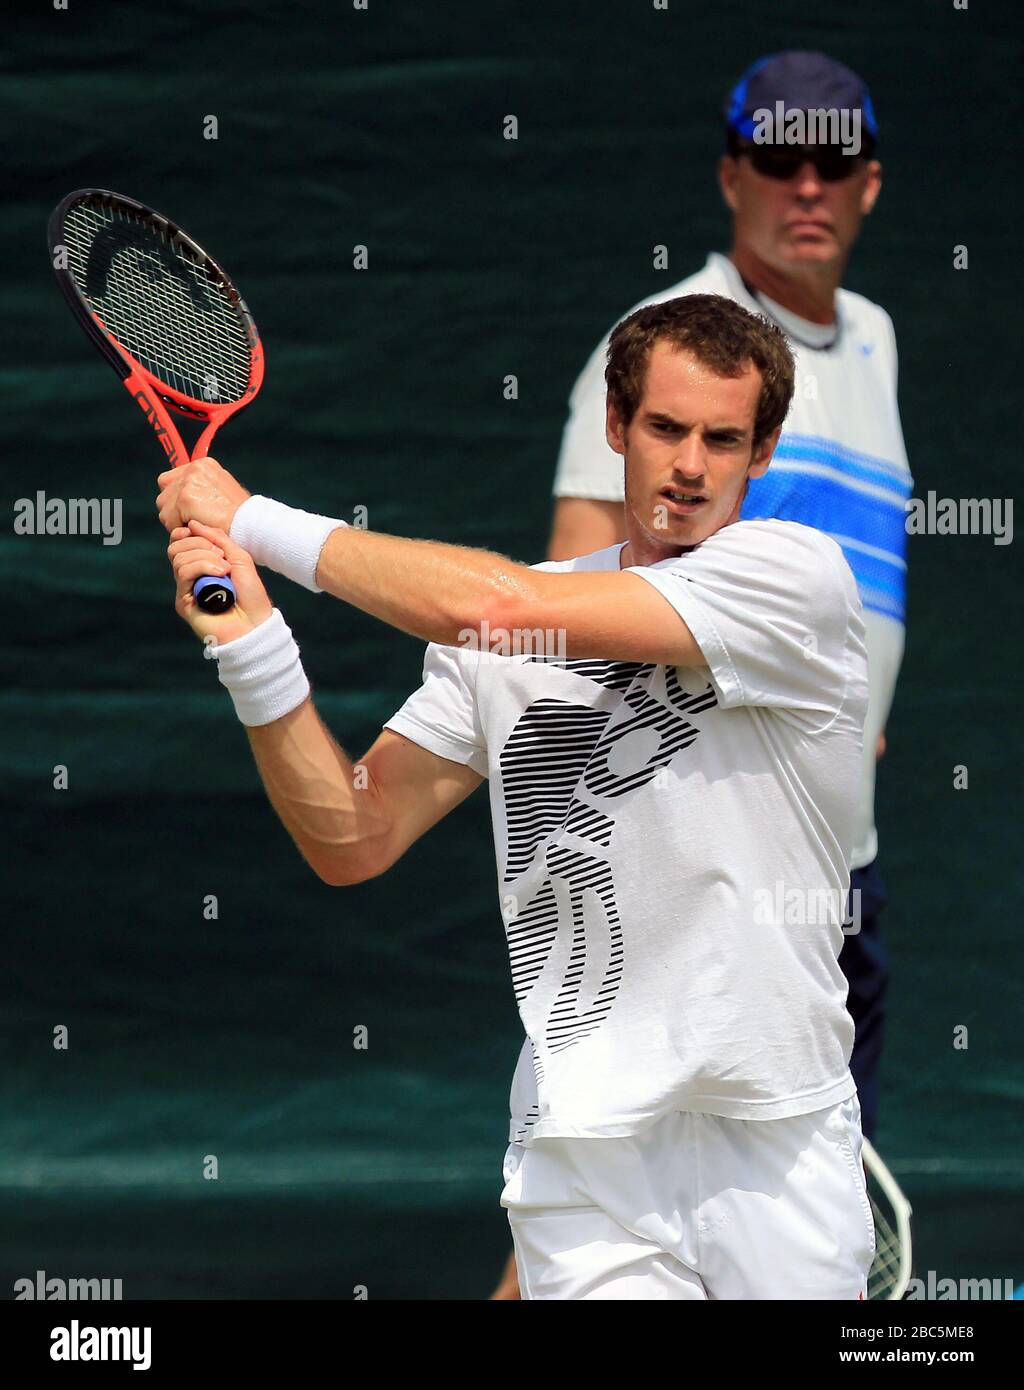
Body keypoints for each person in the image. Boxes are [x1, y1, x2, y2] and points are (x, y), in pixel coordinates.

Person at [158, 293, 874, 1300]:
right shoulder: (499, 644)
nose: (689, 466)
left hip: (780, 1140)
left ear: (761, 454)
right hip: (586, 1149)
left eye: (723, 439)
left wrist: (254, 523)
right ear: (615, 427)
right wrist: (255, 651)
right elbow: (353, 835)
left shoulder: (793, 576)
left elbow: (497, 608)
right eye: (665, 428)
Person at [549, 51, 911, 1146]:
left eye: (832, 160)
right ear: (730, 177)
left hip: (835, 865)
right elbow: (568, 591)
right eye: (778, 158)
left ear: (869, 183)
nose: (808, 185)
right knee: (611, 1197)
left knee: (784, 1218)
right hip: (698, 871)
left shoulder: (874, 336)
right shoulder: (668, 343)